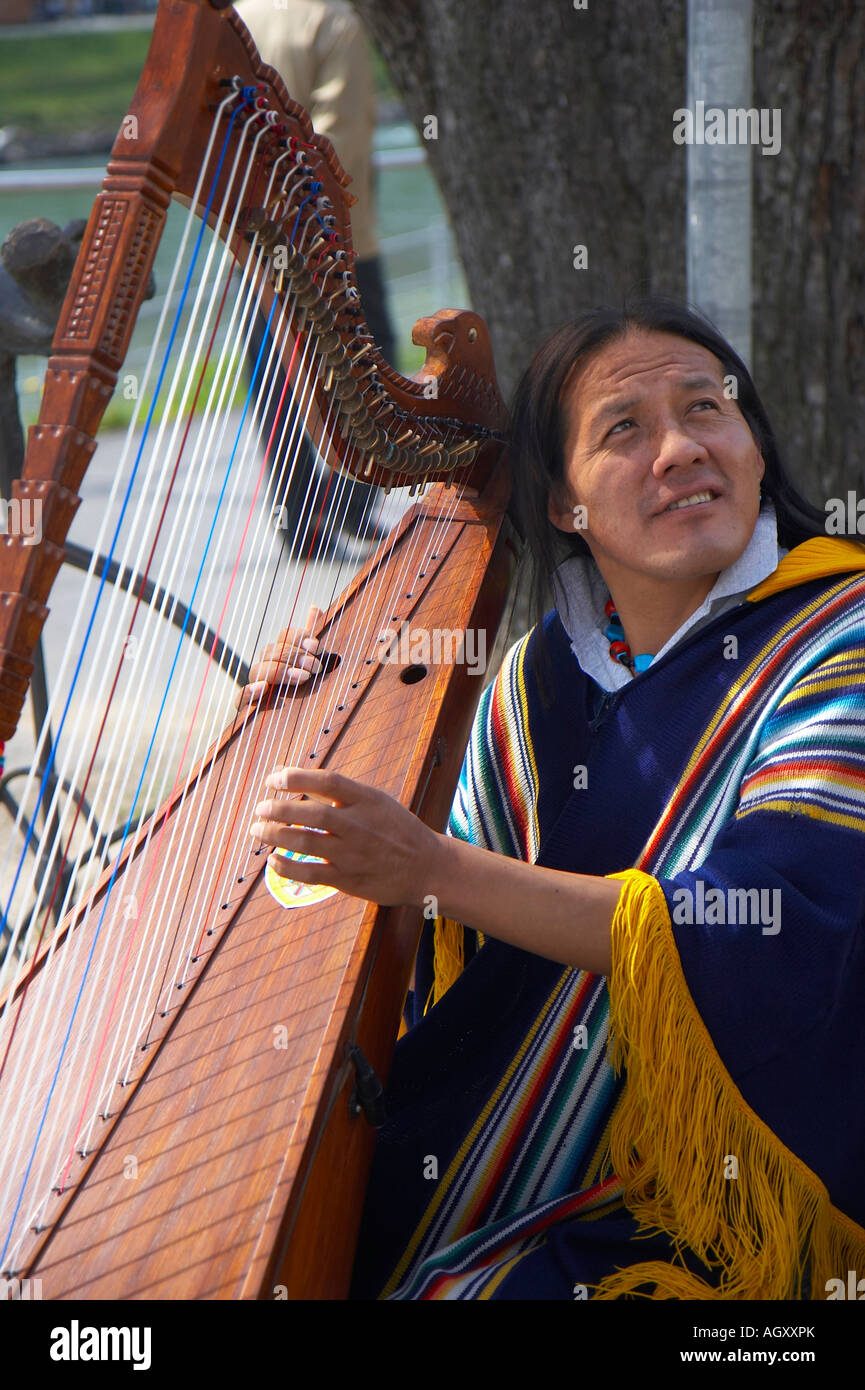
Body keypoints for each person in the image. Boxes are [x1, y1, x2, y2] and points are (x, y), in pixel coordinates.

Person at [246, 295, 865, 1300]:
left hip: (731, 1201)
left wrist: (435, 868)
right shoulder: (542, 675)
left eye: (706, 408)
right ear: (562, 504)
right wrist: (287, 733)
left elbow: (770, 926)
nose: (678, 449)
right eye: (624, 428)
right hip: (524, 1159)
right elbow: (432, 939)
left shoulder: (841, 635)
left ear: (752, 448)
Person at [236, 0, 394, 556]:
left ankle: (298, 515)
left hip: (252, 233)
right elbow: (339, 141)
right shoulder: (334, 21)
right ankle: (351, 502)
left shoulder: (240, 17)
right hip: (335, 240)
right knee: (373, 368)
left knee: (274, 379)